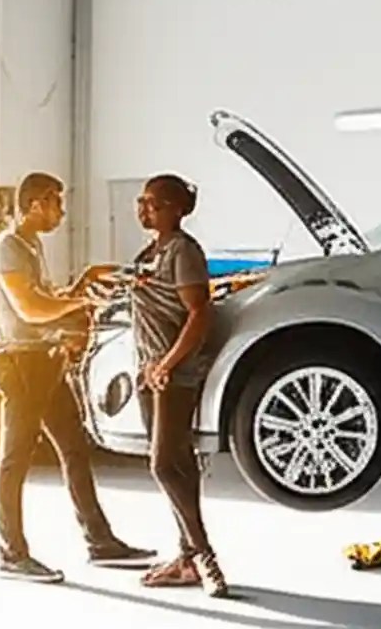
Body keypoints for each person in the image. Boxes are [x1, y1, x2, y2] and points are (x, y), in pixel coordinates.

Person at [0, 171, 157, 584]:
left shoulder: (31, 245)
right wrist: (81, 300)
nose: (61, 211)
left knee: (74, 450)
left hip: (45, 362)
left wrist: (83, 283)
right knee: (14, 461)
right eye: (56, 202)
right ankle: (12, 554)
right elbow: (30, 309)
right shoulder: (9, 247)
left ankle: (100, 542)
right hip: (20, 364)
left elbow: (46, 301)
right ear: (35, 204)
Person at [130, 173, 229, 597]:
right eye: (142, 200)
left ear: (176, 208)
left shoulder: (184, 252)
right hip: (149, 372)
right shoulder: (153, 250)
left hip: (173, 373)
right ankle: (186, 558)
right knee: (180, 466)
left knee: (164, 463)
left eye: (153, 203)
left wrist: (168, 363)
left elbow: (199, 313)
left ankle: (204, 556)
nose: (144, 208)